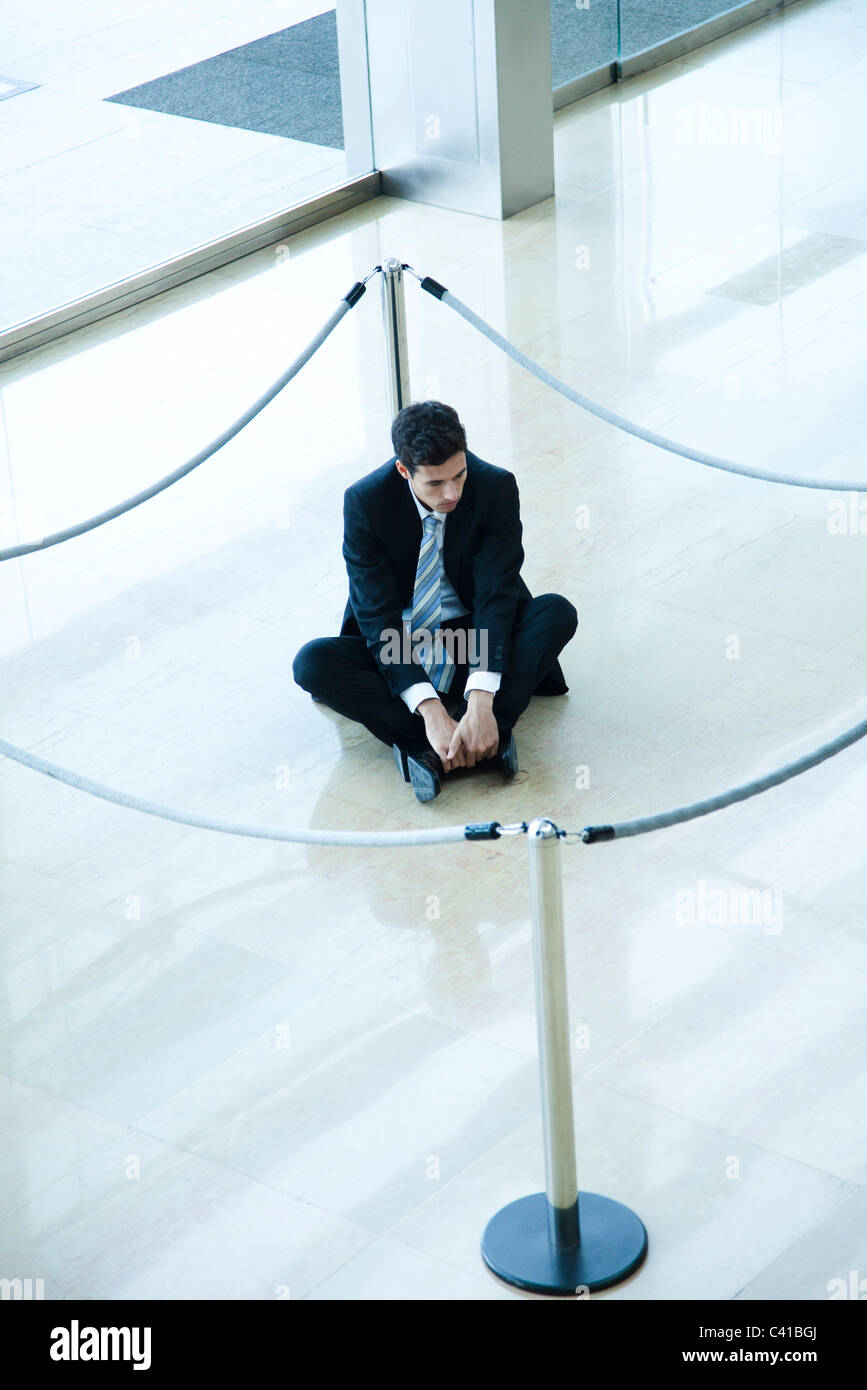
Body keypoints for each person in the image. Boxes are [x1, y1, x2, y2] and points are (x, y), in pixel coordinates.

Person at [292, 400, 578, 801]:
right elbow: (376, 618)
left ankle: (462, 733)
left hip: (473, 633)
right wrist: (428, 707)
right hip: (402, 639)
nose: (452, 493)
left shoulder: (495, 486)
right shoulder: (365, 502)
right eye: (435, 483)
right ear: (404, 470)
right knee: (313, 662)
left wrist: (480, 696)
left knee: (556, 613)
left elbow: (496, 597)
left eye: (459, 476)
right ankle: (455, 740)